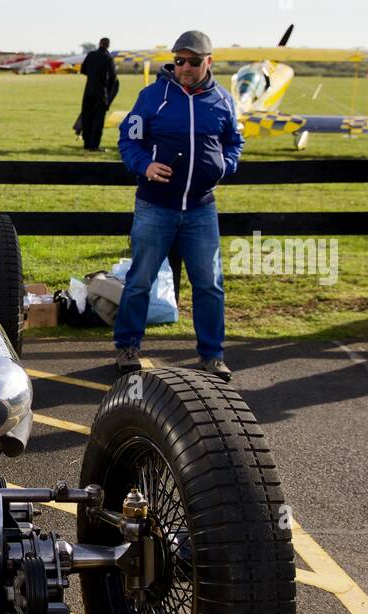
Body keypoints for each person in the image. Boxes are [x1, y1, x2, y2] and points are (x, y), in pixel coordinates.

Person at [115, 30, 243, 381]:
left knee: (209, 283)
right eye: (179, 60)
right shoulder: (153, 96)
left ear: (209, 62)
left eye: (193, 61)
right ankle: (127, 346)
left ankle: (212, 354)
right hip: (155, 206)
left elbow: (235, 140)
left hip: (202, 208)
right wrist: (145, 166)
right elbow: (128, 140)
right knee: (140, 279)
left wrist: (224, 166)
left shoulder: (223, 101)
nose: (185, 67)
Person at [79, 38, 117, 151]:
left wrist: (92, 76)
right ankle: (94, 145)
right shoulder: (108, 58)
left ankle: (86, 144)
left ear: (100, 44)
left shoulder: (91, 55)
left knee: (87, 117)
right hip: (101, 92)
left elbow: (83, 70)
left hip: (88, 91)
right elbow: (113, 78)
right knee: (98, 120)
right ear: (108, 45)